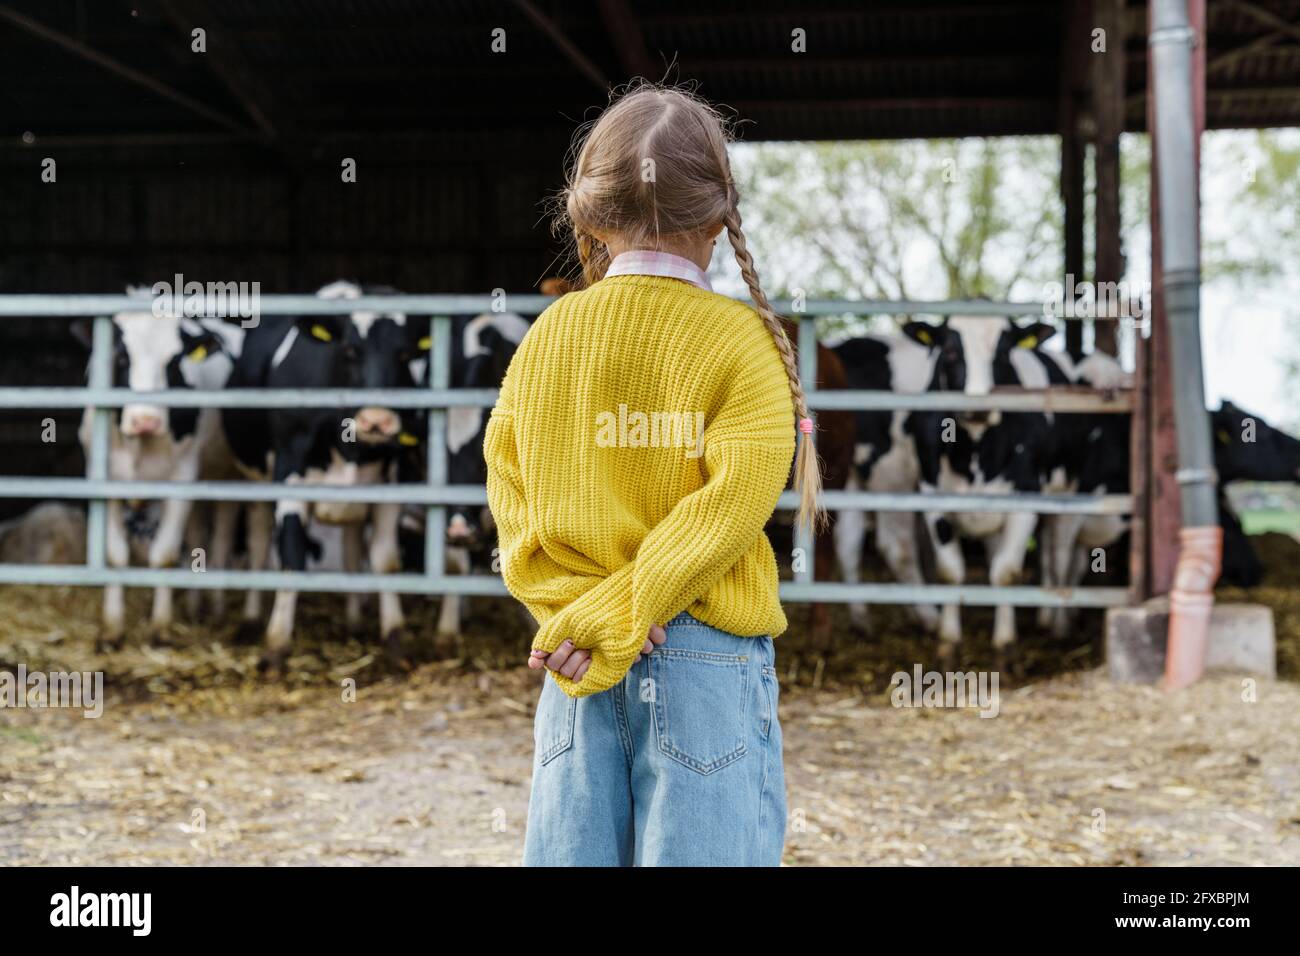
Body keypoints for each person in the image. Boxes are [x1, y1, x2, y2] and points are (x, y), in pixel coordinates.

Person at [484, 83, 822, 867]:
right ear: (719, 213)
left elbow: (508, 482)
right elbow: (733, 504)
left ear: (591, 213)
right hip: (702, 650)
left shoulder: (549, 334)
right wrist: (632, 608)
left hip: (573, 655)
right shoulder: (742, 341)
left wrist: (575, 611)